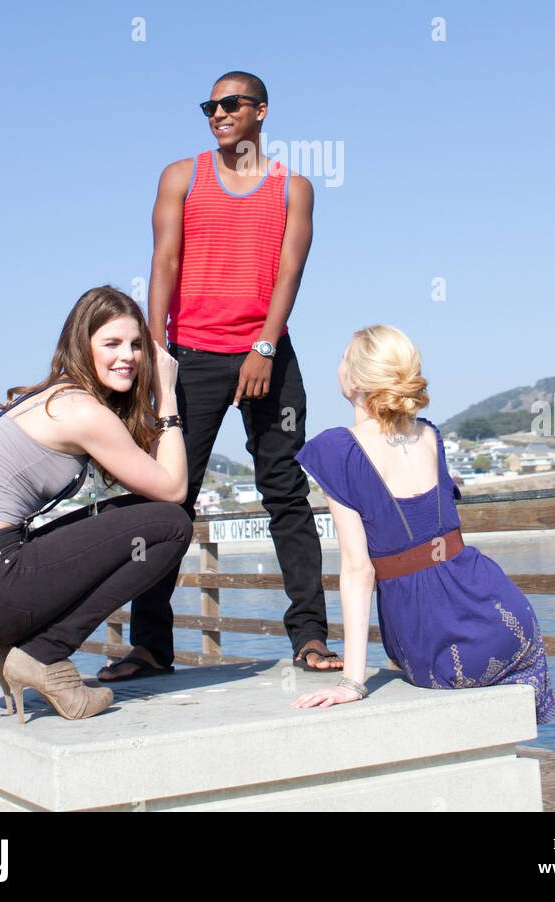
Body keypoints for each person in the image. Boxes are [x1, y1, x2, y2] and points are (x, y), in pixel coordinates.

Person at [98, 71, 342, 681]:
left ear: (261, 111)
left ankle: (310, 638)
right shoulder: (182, 176)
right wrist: (156, 352)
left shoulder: (294, 187)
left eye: (231, 104)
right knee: (166, 496)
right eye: (210, 105)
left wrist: (262, 345)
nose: (218, 113)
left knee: (285, 494)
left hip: (269, 356)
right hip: (192, 359)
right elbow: (164, 262)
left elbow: (290, 274)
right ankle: (151, 646)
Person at [0, 286, 193, 723]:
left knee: (134, 515)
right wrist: (167, 395)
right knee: (170, 524)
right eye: (111, 343)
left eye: (137, 345)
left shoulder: (57, 396)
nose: (128, 356)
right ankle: (44, 655)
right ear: (82, 346)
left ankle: (31, 653)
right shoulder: (80, 410)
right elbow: (174, 488)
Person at [290, 324, 555, 722]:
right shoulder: (430, 435)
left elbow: (358, 570)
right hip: (505, 620)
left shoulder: (335, 449)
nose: (339, 365)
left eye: (344, 357)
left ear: (357, 378)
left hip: (432, 639)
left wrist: (352, 682)